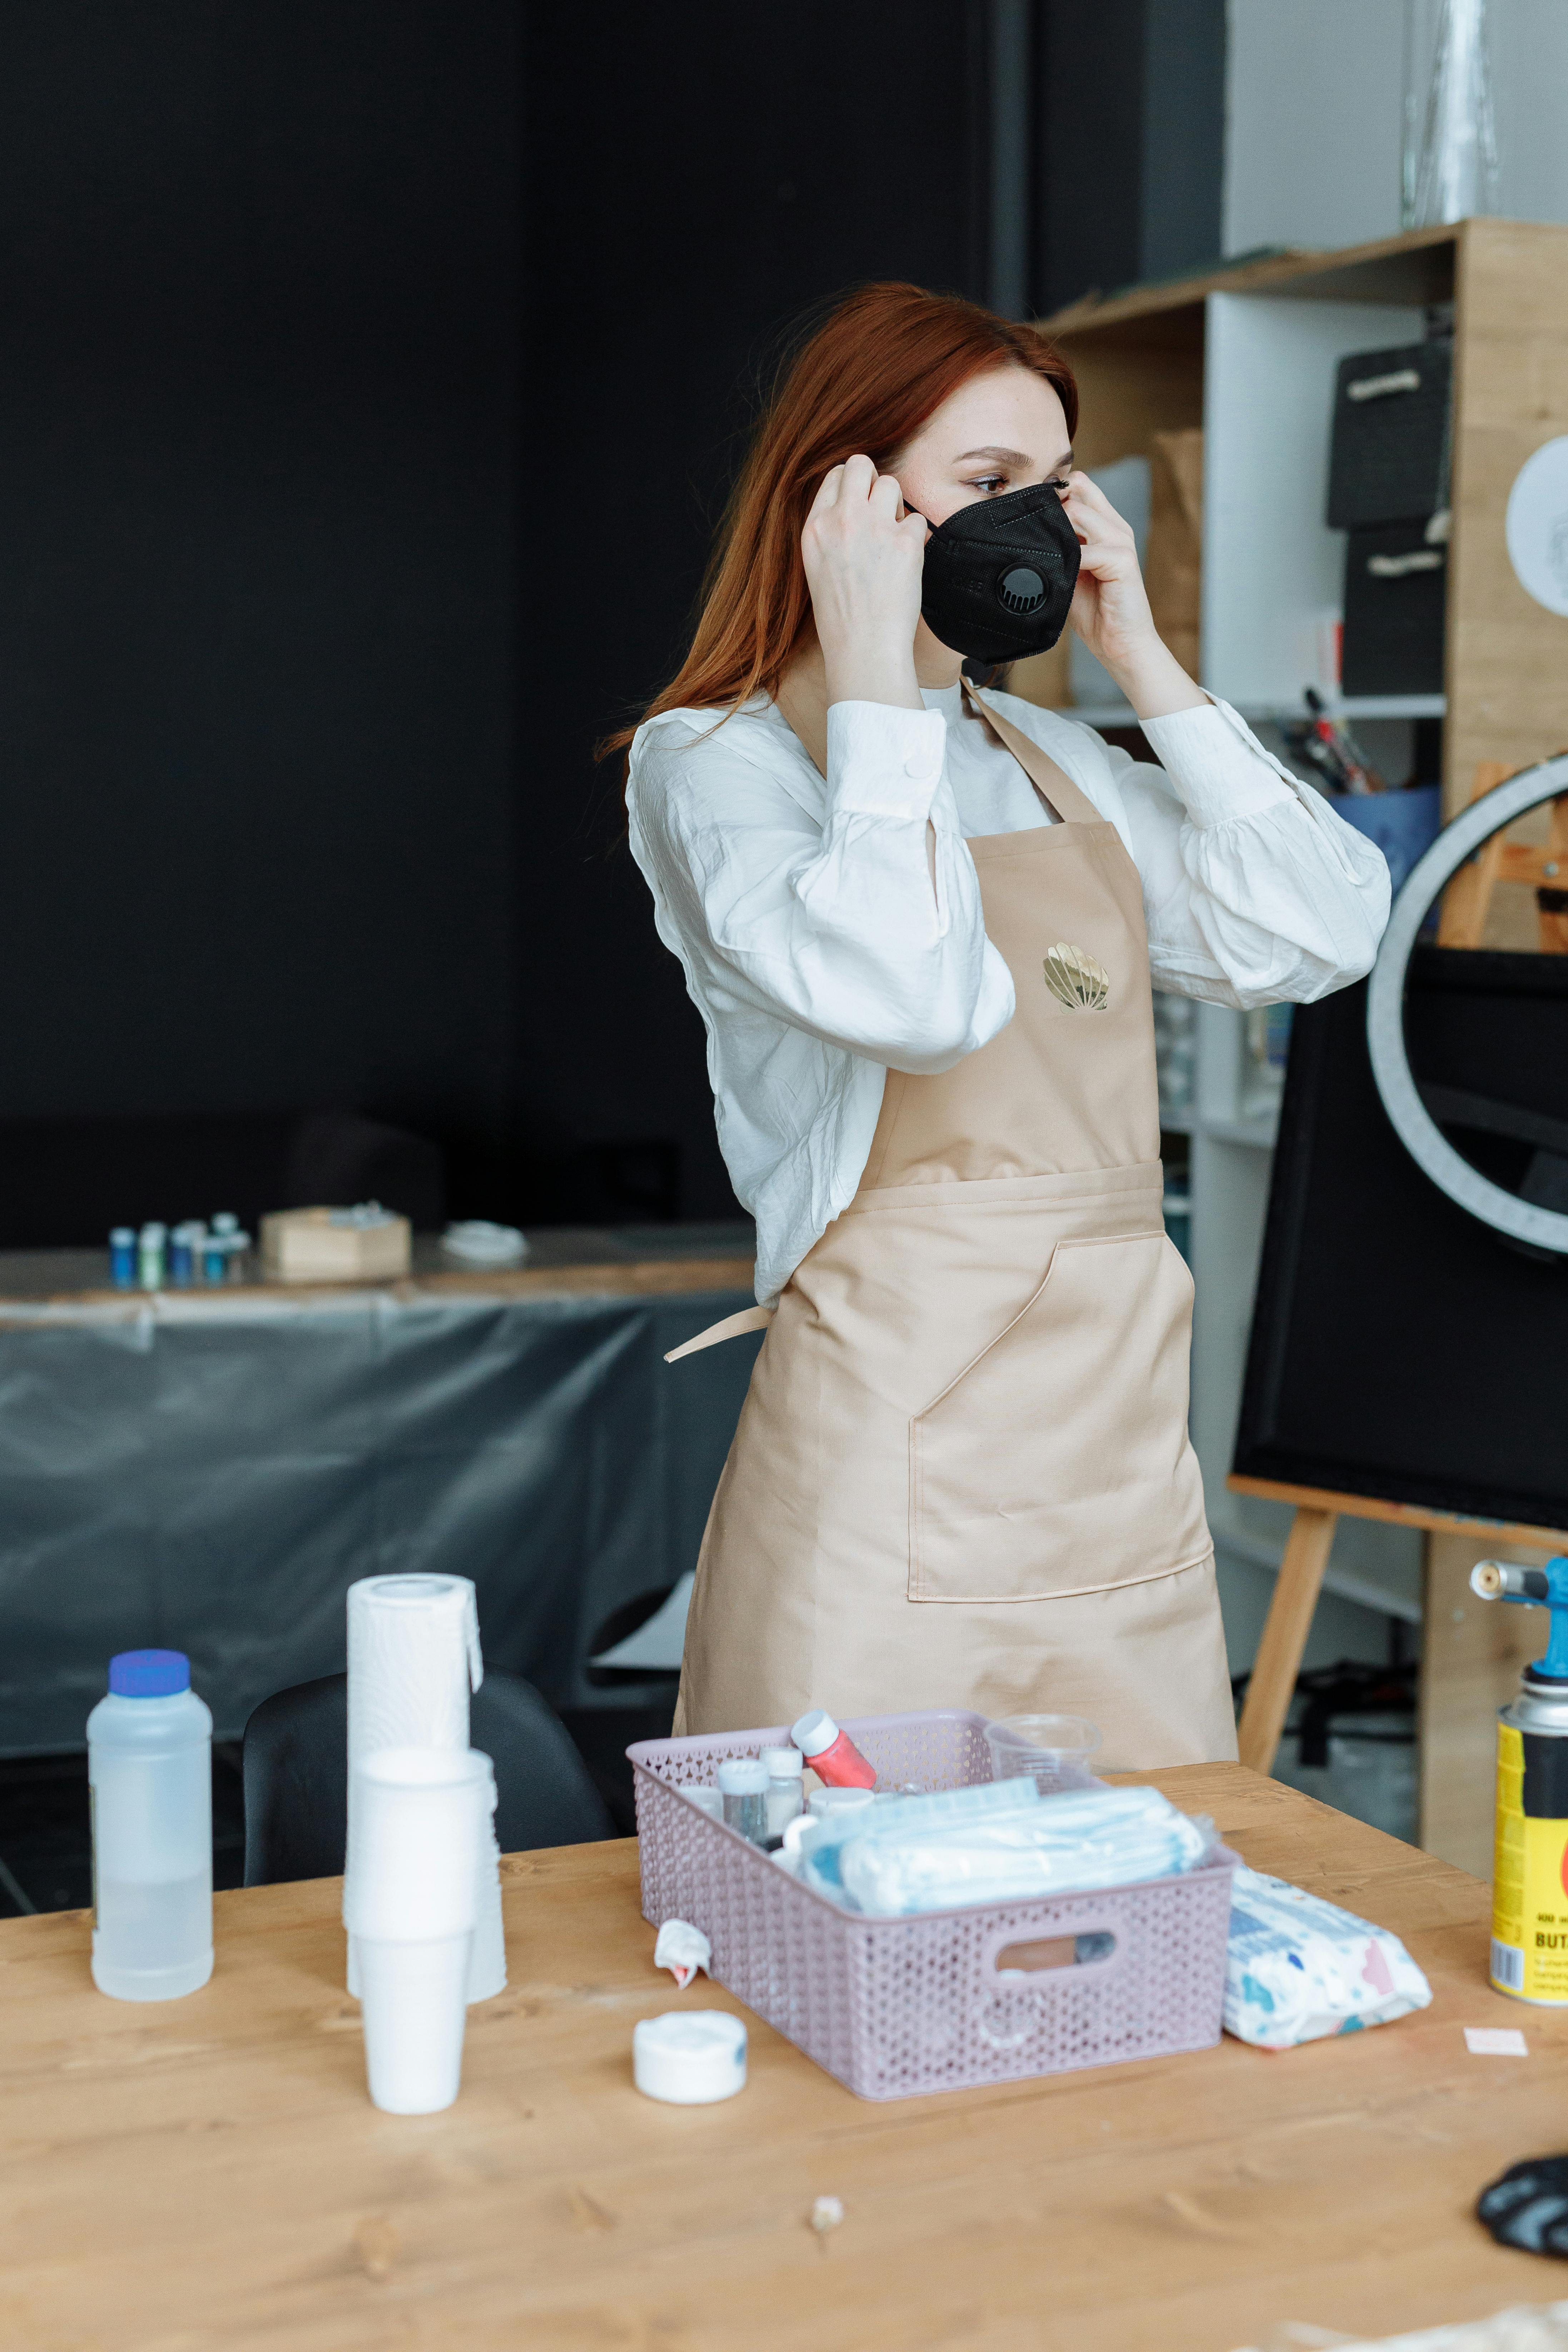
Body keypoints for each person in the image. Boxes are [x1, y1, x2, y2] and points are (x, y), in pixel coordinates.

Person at [612, 282, 1388, 1765]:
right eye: (983, 487)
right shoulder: (712, 763)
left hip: (1105, 1440)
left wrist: (1143, 662)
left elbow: (1320, 933)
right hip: (884, 1444)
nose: (1026, 527)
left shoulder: (1047, 750)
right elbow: (917, 1001)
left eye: (1049, 490)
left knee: (1134, 1890)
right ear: (843, 499)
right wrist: (871, 685)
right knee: (839, 1900)